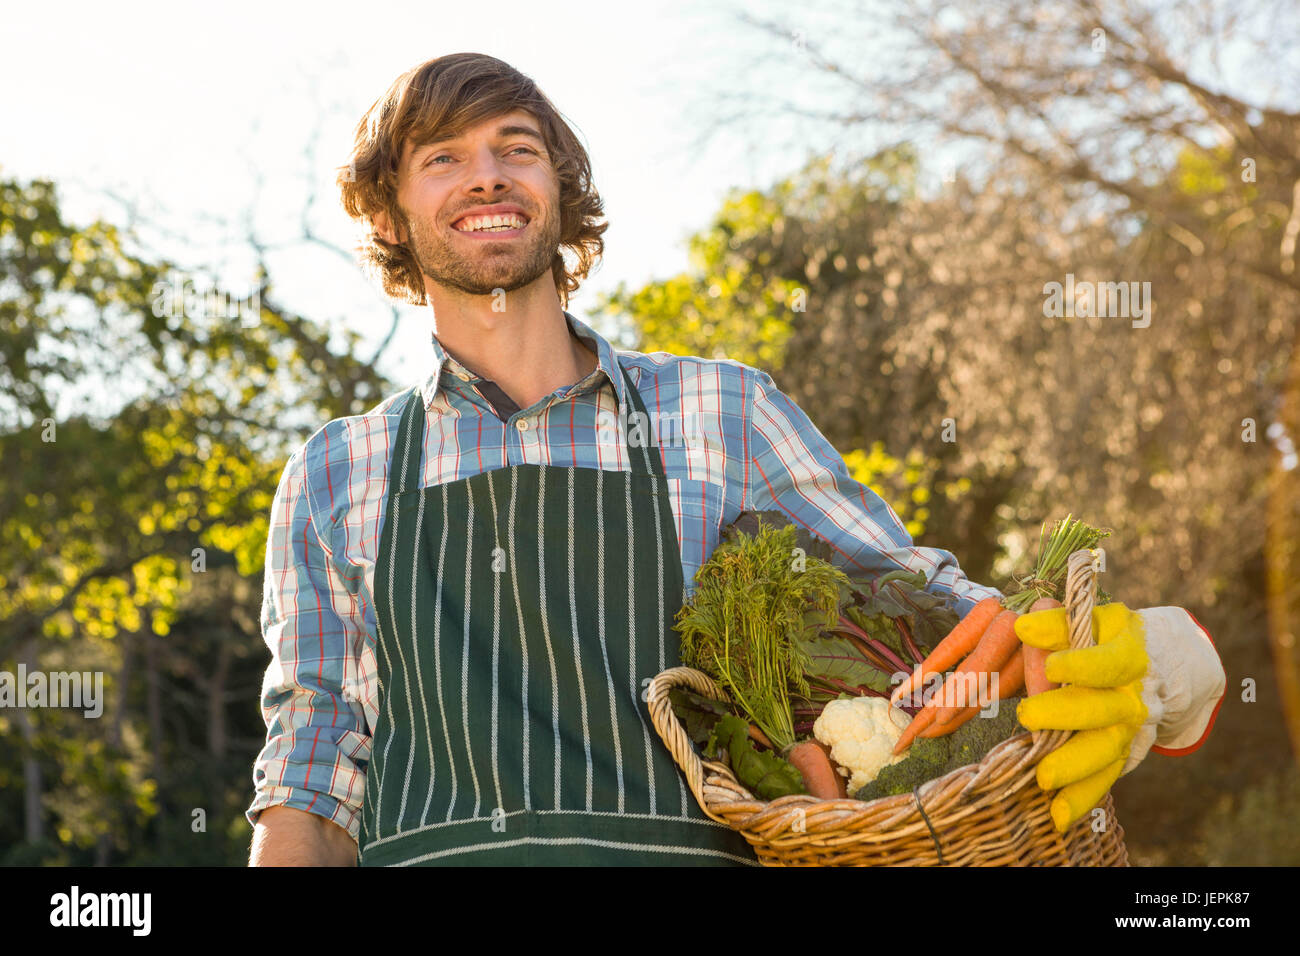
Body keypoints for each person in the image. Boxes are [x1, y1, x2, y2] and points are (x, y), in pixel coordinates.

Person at [245, 53, 1225, 866]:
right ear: (386, 213)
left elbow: (917, 605)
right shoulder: (338, 470)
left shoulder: (719, 409)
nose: (489, 175)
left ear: (558, 191)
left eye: (518, 149)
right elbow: (313, 760)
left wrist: (1137, 650)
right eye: (443, 158)